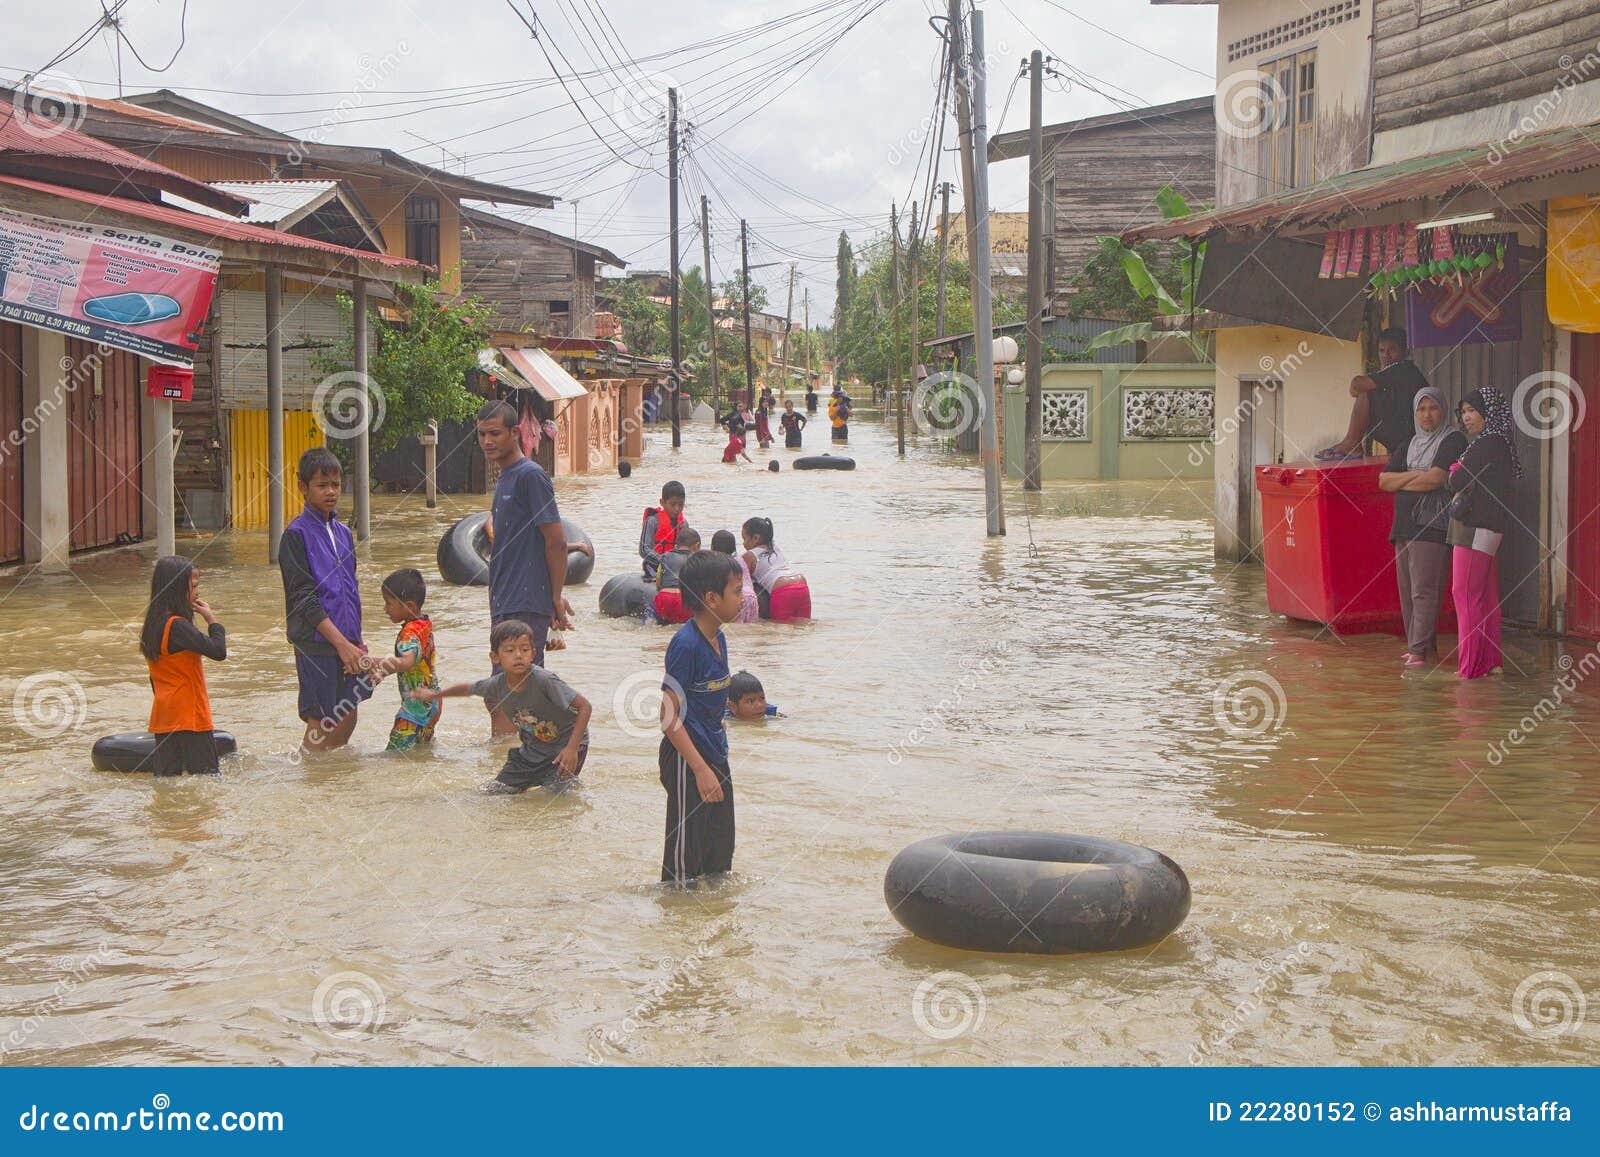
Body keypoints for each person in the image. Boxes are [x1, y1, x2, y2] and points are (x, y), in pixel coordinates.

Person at [416, 620, 592, 794]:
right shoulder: (496, 685)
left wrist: (572, 748)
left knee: (554, 795)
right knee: (494, 792)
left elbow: (584, 707)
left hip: (566, 744)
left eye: (524, 650)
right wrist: (433, 695)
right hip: (533, 749)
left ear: (533, 654)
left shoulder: (544, 681)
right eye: (509, 650)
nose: (518, 655)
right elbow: (467, 688)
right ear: (495, 657)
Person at [478, 400, 572, 725]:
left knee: (513, 693)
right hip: (505, 599)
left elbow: (556, 541)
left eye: (495, 433)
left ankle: (516, 762)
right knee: (500, 693)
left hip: (524, 600)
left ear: (515, 433)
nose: (488, 441)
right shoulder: (505, 478)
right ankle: (508, 757)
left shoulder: (530, 476)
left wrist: (555, 596)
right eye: (482, 435)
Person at [659, 550, 744, 884]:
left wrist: (717, 718)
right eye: (736, 591)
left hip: (714, 751)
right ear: (711, 598)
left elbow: (708, 691)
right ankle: (678, 918)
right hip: (687, 760)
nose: (742, 598)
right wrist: (699, 769)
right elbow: (668, 716)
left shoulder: (718, 637)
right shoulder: (686, 645)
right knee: (684, 862)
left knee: (720, 849)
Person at [280, 446, 371, 753]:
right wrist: (340, 644)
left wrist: (356, 642)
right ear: (303, 487)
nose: (331, 492)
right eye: (322, 485)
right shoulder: (295, 535)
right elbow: (303, 599)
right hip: (317, 643)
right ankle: (311, 778)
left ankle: (334, 781)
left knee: (349, 712)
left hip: (348, 640)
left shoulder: (344, 532)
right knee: (320, 720)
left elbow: (351, 590)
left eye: (336, 484)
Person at [1378, 388, 1467, 669]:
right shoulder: (1409, 443)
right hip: (1403, 525)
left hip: (1431, 525)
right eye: (1422, 409)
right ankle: (1422, 648)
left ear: (1443, 410)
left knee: (1424, 590)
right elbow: (1383, 481)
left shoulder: (1452, 439)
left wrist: (1404, 478)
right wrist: (1419, 474)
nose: (1427, 415)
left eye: (1433, 408)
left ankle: (1418, 651)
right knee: (1407, 591)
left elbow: (1437, 479)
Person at [1447, 387, 1521, 680]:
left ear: (1488, 413)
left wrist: (1455, 469)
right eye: (1463, 411)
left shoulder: (1486, 443)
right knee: (1486, 597)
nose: (1466, 417)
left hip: (1474, 527)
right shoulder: (1502, 442)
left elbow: (1456, 480)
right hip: (1490, 530)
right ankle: (1491, 663)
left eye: (1472, 411)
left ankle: (1469, 670)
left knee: (1464, 594)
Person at [140, 555, 226, 775]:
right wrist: (212, 620)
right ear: (178, 588)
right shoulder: (178, 627)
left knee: (167, 782)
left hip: (164, 717)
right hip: (191, 717)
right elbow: (218, 651)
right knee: (207, 780)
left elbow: (154, 679)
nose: (198, 592)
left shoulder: (153, 624)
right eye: (194, 586)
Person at [1318, 326, 1432, 461]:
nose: (1386, 355)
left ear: (1404, 351)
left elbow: (1356, 384)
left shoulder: (1404, 369)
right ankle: (1351, 442)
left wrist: (1362, 388)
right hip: (1403, 435)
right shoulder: (1392, 372)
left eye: (1392, 350)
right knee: (1367, 390)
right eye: (1382, 350)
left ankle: (1352, 443)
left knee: (1366, 392)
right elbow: (1354, 388)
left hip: (1412, 436)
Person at [370, 568, 441, 750]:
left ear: (409, 605)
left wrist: (371, 661)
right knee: (421, 754)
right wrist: (382, 673)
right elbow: (413, 663)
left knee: (393, 758)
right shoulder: (423, 624)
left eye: (389, 603)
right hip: (433, 703)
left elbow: (406, 662)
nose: (385, 609)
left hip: (414, 709)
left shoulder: (409, 634)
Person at [741, 516, 811, 622]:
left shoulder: (749, 556)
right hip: (802, 584)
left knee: (780, 629)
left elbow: (742, 582)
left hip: (782, 589)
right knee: (804, 625)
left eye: (744, 539)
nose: (743, 544)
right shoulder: (775, 547)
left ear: (755, 538)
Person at [651, 526, 701, 625]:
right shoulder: (697, 559)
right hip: (684, 601)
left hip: (664, 598)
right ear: (697, 545)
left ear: (676, 546)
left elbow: (658, 582)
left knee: (655, 623)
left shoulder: (665, 556)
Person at [711, 529, 760, 623]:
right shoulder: (740, 560)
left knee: (734, 631)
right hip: (751, 598)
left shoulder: (718, 564)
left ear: (712, 547)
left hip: (737, 598)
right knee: (750, 631)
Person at [640, 480, 687, 579]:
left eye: (681, 505)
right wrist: (665, 561)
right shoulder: (652, 521)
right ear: (662, 502)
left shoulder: (684, 524)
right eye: (673, 505)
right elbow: (644, 550)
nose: (677, 509)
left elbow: (689, 549)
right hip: (655, 566)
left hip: (677, 567)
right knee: (649, 566)